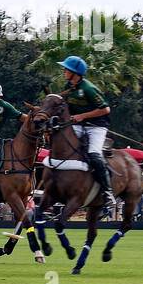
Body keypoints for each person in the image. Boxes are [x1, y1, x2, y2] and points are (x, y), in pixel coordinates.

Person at [57, 56, 114, 207]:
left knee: (94, 155)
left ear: (75, 72)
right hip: (78, 125)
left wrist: (82, 116)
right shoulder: (69, 87)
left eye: (66, 69)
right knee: (62, 142)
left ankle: (107, 191)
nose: (64, 71)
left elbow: (105, 109)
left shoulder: (88, 88)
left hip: (96, 126)